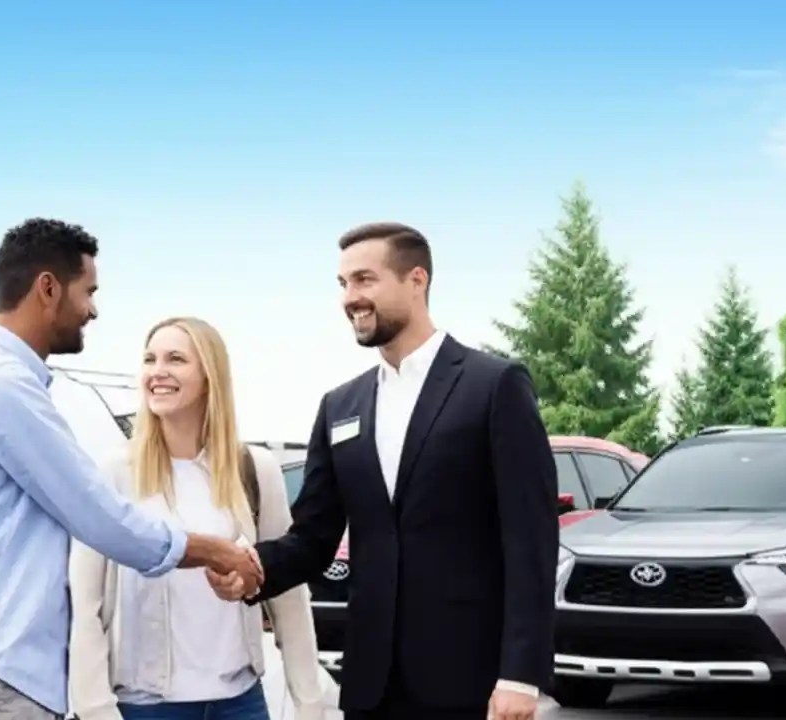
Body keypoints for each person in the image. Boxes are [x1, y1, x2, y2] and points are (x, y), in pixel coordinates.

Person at [0, 219, 265, 720]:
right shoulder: (2, 386)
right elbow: (100, 517)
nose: (93, 309)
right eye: (88, 291)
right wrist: (215, 550)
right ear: (48, 288)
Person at [212, 222, 559, 720]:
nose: (350, 298)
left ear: (416, 280)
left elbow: (531, 540)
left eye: (364, 280)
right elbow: (312, 537)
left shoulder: (493, 386)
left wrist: (520, 675)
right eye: (343, 284)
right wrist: (252, 572)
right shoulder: (341, 406)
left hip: (474, 683)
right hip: (372, 684)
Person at [68, 316, 324, 720]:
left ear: (210, 377)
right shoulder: (115, 473)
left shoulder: (255, 470)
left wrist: (311, 708)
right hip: (145, 708)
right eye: (149, 359)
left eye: (175, 359)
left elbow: (288, 597)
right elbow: (86, 606)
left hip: (240, 703)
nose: (158, 372)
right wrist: (95, 710)